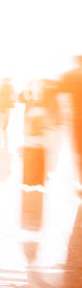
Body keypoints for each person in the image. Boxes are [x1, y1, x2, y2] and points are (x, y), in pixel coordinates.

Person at [59, 55, 82, 189]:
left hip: (77, 117)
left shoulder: (68, 76)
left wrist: (65, 114)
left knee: (79, 151)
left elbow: (63, 98)